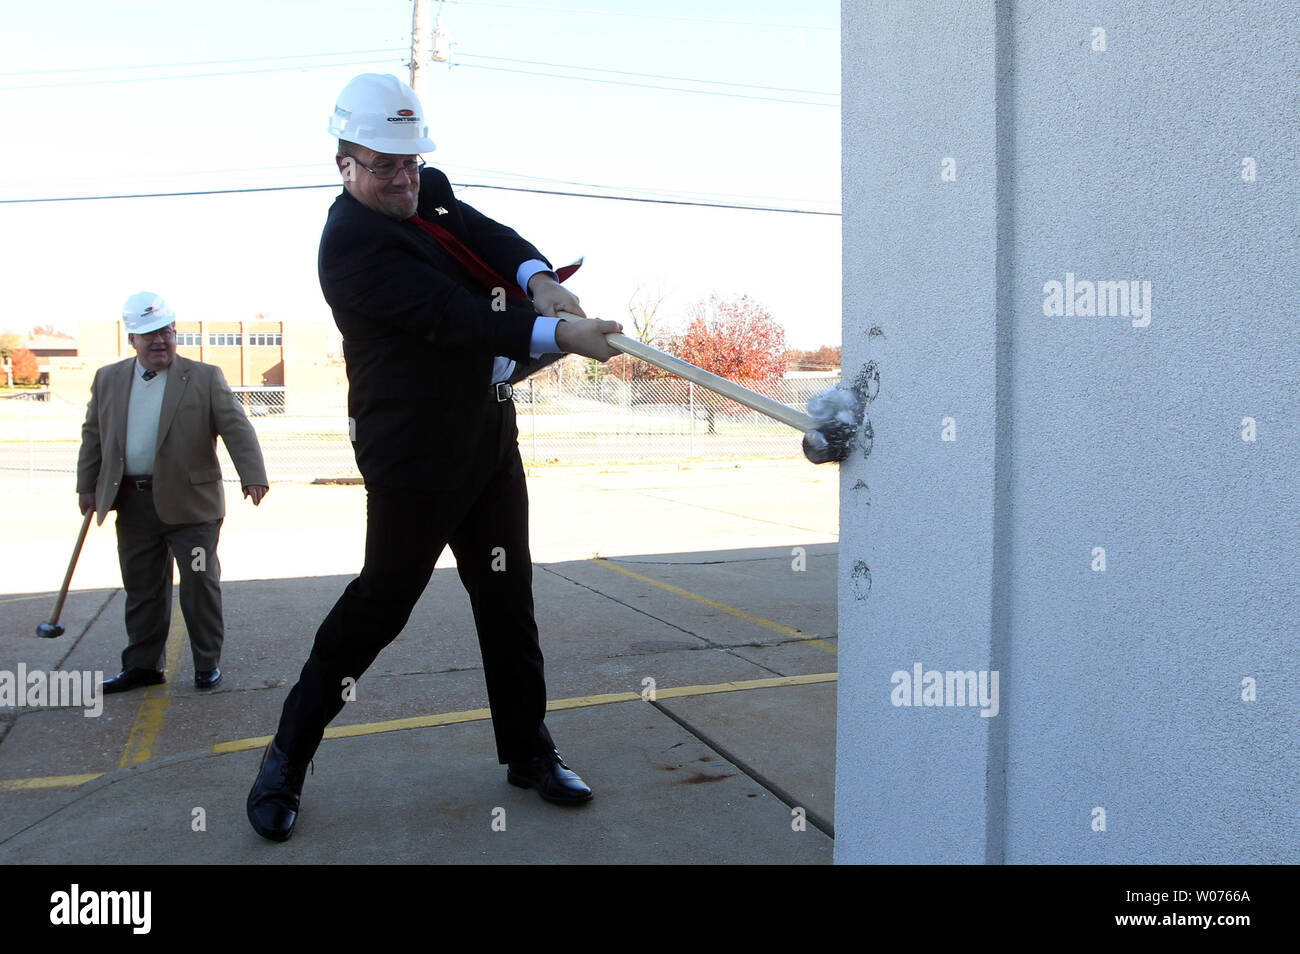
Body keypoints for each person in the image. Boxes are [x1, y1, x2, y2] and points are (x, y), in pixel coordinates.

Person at [246, 73, 622, 842]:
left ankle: (528, 751)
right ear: (344, 165)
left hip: (485, 441)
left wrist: (539, 280)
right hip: (414, 457)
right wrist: (557, 336)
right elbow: (452, 318)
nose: (404, 180)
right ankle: (287, 756)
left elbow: (490, 239)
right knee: (379, 610)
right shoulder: (350, 246)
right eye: (384, 166)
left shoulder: (430, 190)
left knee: (507, 597)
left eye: (411, 163)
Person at [77, 292, 269, 693]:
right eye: (149, 334)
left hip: (193, 508)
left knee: (199, 582)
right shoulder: (108, 379)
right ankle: (144, 666)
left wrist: (253, 474)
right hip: (133, 503)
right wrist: (87, 486)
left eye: (166, 330)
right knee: (142, 588)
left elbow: (236, 428)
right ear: (132, 338)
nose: (160, 340)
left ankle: (206, 663)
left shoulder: (204, 376)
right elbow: (93, 435)